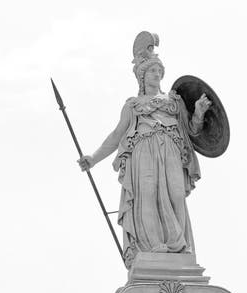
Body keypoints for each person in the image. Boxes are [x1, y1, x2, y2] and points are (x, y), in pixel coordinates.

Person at [78, 38, 211, 266]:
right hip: (143, 152)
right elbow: (116, 135)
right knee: (147, 194)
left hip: (171, 149)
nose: (156, 74)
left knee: (177, 195)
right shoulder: (133, 105)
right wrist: (93, 158)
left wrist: (198, 112)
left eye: (159, 70)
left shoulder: (174, 101)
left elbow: (192, 130)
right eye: (152, 70)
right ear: (142, 76)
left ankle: (179, 246)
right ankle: (153, 245)